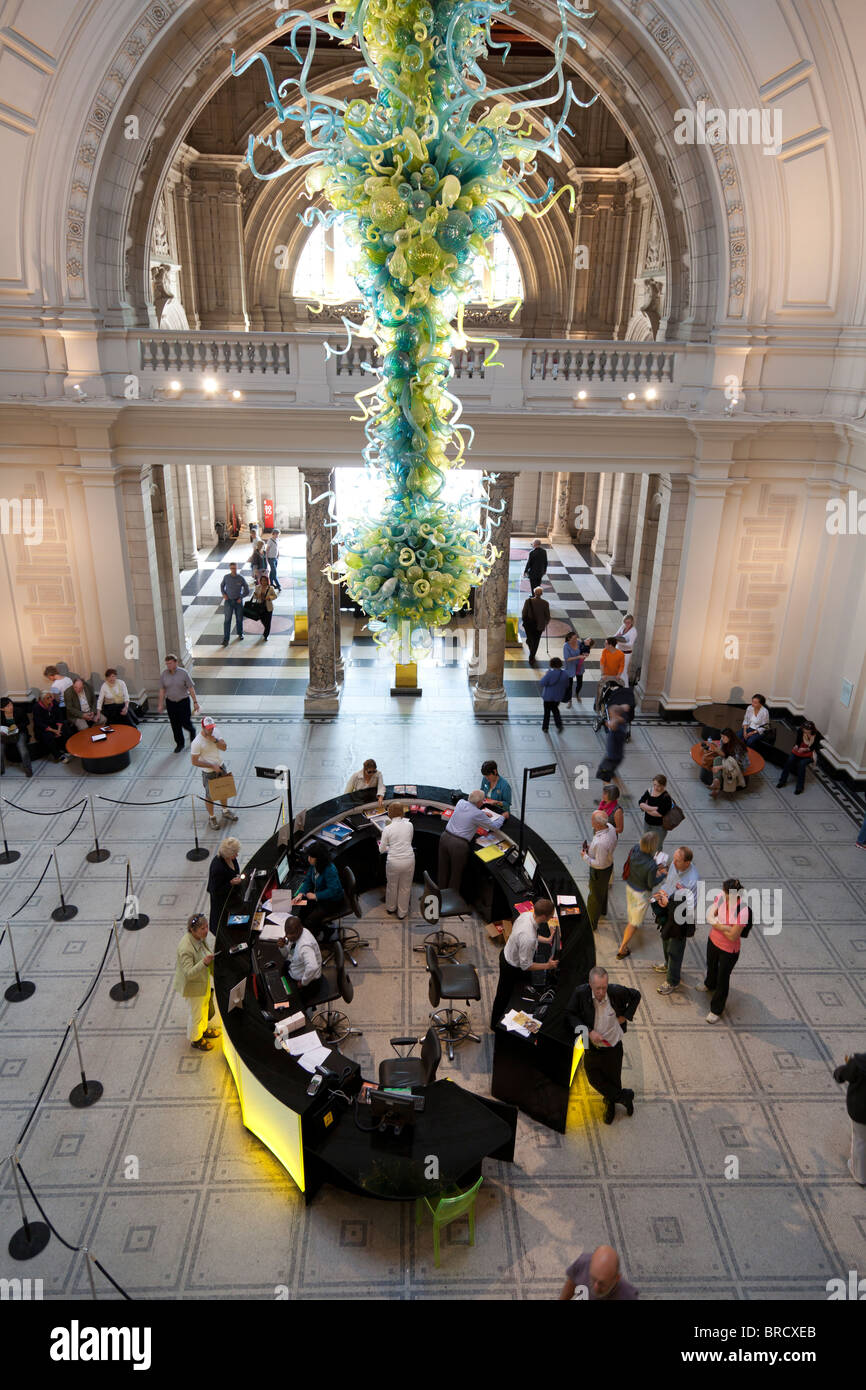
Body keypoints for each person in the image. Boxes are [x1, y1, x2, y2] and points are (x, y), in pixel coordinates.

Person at [567, 966, 641, 1124]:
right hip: (590, 1044)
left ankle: (611, 1104)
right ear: (590, 984)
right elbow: (570, 1013)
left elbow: (636, 995)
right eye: (597, 988)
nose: (601, 992)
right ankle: (624, 1096)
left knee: (613, 1079)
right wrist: (588, 1031)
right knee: (593, 1078)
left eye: (604, 987)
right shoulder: (581, 993)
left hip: (613, 1046)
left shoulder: (616, 992)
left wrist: (625, 1017)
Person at [489, 898, 559, 1029]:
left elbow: (527, 936)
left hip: (508, 953)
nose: (551, 918)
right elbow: (525, 965)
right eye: (550, 916)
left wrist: (548, 939)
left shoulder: (526, 915)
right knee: (503, 996)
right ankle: (494, 1025)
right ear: (544, 916)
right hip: (510, 966)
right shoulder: (529, 937)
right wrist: (548, 966)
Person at [650, 846, 699, 994]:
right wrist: (663, 893)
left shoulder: (693, 880)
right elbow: (670, 882)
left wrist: (668, 902)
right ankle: (667, 964)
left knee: (675, 949)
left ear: (687, 862)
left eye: (678, 861)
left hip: (681, 914)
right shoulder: (674, 864)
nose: (674, 862)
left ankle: (672, 981)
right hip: (668, 905)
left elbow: (689, 904)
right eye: (674, 859)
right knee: (665, 936)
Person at [438, 790, 505, 892]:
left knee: (443, 870)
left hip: (445, 837)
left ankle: (438, 896)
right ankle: (450, 901)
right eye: (482, 801)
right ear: (479, 803)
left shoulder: (460, 802)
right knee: (456, 875)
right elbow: (494, 827)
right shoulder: (477, 814)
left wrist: (482, 813)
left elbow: (469, 812)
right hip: (458, 845)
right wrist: (503, 817)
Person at [704, 877, 749, 1022]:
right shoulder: (721, 897)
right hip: (713, 941)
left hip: (729, 951)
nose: (723, 894)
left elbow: (733, 937)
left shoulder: (742, 911)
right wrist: (725, 927)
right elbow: (709, 916)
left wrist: (718, 925)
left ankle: (716, 1009)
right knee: (711, 966)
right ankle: (709, 984)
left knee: (723, 979)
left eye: (726, 893)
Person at [173, 913, 219, 1051]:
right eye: (202, 929)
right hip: (193, 988)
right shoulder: (185, 948)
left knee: (204, 1009)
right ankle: (196, 1039)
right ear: (192, 930)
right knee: (196, 1015)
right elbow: (188, 974)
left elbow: (205, 953)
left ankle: (203, 1030)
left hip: (202, 982)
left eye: (206, 927)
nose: (206, 931)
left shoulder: (199, 938)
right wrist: (204, 963)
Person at [616, 831, 663, 959]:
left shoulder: (635, 849)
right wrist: (662, 875)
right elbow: (650, 884)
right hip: (641, 894)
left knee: (632, 910)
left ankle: (634, 919)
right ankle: (623, 948)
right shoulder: (651, 865)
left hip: (630, 887)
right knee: (634, 923)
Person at [191, 716, 237, 829]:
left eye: (212, 727)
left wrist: (215, 740)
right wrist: (211, 765)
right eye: (208, 728)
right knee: (209, 796)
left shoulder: (215, 732)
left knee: (224, 791)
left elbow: (224, 747)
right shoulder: (197, 742)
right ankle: (212, 817)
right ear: (203, 727)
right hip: (208, 773)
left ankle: (225, 811)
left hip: (221, 766)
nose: (211, 730)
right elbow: (194, 761)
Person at [292, 844, 346, 940]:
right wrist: (301, 893)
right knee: (303, 912)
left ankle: (320, 934)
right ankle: (322, 930)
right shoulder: (314, 866)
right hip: (322, 898)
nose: (308, 859)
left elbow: (334, 890)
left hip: (333, 901)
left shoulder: (330, 870)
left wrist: (315, 896)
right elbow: (308, 880)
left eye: (311, 857)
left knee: (310, 921)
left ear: (319, 859)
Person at [558, 1246, 639, 1301]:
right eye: (593, 1278)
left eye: (602, 1283)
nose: (595, 1287)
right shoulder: (583, 1263)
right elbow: (571, 1283)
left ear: (617, 1278)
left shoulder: (628, 1296)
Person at [833, 1052, 866, 1185]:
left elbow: (842, 1075)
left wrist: (838, 1072)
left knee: (860, 1140)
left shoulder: (860, 1062)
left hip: (861, 1111)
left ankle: (860, 1175)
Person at [378, 802, 415, 919]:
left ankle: (391, 908)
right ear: (402, 812)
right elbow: (409, 840)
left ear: (390, 813)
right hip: (409, 859)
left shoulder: (387, 829)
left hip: (393, 861)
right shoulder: (410, 825)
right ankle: (402, 912)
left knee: (392, 885)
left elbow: (381, 849)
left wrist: (390, 846)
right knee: (406, 886)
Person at [582, 811, 618, 930]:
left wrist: (586, 857)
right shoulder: (611, 828)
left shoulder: (601, 842)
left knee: (594, 897)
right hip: (609, 865)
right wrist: (591, 849)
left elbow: (599, 864)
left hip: (600, 871)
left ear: (597, 824)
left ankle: (591, 923)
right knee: (603, 890)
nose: (590, 821)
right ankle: (602, 911)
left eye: (592, 820)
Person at [278, 915, 323, 1006]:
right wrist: (282, 947)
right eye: (286, 933)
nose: (287, 936)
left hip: (309, 983)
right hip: (293, 968)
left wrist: (303, 982)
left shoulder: (305, 946)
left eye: (290, 934)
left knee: (290, 1004)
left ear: (299, 930)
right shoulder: (297, 935)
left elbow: (313, 967)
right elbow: (288, 955)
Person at [157, 654, 199, 752]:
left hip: (183, 702)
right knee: (175, 725)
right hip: (171, 703)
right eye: (167, 664)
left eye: (170, 663)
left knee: (185, 723)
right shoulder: (164, 674)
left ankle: (192, 731)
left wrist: (195, 702)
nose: (168, 665)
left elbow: (191, 688)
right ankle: (180, 744)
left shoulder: (183, 673)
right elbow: (162, 690)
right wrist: (160, 703)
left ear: (176, 662)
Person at [206, 836, 242, 934]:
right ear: (228, 853)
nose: (237, 855)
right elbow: (215, 891)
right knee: (221, 925)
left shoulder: (231, 858)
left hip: (231, 894)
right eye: (235, 853)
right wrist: (231, 883)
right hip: (221, 900)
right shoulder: (217, 868)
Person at [700, 727, 747, 797]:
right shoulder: (723, 741)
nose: (722, 739)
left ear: (730, 737)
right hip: (728, 760)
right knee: (717, 759)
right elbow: (724, 754)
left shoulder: (738, 746)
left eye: (724, 737)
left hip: (738, 765)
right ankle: (716, 782)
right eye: (721, 737)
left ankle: (716, 786)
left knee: (720, 766)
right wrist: (717, 750)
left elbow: (735, 763)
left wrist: (719, 767)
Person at [777, 719, 820, 795]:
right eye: (804, 729)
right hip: (799, 750)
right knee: (789, 761)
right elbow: (797, 742)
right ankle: (782, 781)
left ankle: (799, 787)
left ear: (811, 730)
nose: (804, 731)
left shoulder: (816, 735)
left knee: (801, 764)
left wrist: (805, 749)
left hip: (809, 753)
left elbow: (815, 747)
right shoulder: (800, 731)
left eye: (806, 730)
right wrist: (796, 746)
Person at [637, 775, 673, 851]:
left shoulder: (666, 797)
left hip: (659, 827)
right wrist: (653, 808)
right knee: (646, 842)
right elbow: (640, 803)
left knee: (657, 846)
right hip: (647, 823)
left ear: (664, 785)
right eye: (654, 785)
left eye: (659, 786)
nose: (656, 788)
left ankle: (657, 861)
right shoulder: (649, 791)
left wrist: (646, 808)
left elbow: (659, 814)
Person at [33, 691, 71, 762]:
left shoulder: (54, 703)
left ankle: (66, 748)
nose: (50, 699)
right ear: (43, 699)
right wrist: (54, 731)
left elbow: (59, 716)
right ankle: (58, 755)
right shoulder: (37, 707)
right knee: (48, 736)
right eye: (48, 698)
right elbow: (39, 723)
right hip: (43, 727)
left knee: (65, 727)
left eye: (51, 696)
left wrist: (59, 729)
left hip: (54, 724)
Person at [0, 696, 33, 777]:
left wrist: (17, 727)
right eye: (7, 706)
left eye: (11, 704)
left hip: (19, 732)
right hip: (5, 734)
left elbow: (26, 722)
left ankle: (28, 770)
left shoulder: (19, 711)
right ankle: (1, 769)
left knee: (22, 749)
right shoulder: (1, 715)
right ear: (2, 709)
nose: (11, 707)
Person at [220, 562, 250, 646]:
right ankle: (226, 639)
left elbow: (247, 590)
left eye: (235, 568)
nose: (234, 570)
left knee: (239, 619)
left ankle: (240, 633)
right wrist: (224, 594)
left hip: (238, 601)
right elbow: (222, 586)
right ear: (230, 569)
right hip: (228, 601)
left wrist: (241, 597)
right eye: (232, 568)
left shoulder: (241, 578)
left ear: (237, 568)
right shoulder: (226, 577)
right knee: (227, 620)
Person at [598, 704, 629, 781]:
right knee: (608, 773)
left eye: (611, 714)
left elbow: (612, 725)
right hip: (613, 756)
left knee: (603, 775)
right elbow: (626, 707)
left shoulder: (617, 727)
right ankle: (620, 787)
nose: (610, 716)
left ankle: (612, 790)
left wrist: (611, 721)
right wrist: (621, 708)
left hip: (612, 757)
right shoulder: (622, 722)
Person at [521, 586, 550, 666]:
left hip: (529, 625)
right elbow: (547, 617)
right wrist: (545, 623)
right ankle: (532, 655)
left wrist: (525, 622)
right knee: (536, 641)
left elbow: (524, 613)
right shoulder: (545, 603)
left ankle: (531, 652)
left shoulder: (528, 601)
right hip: (539, 626)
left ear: (534, 593)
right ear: (542, 594)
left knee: (530, 639)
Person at [540, 656, 569, 732]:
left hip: (548, 697)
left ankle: (545, 727)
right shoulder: (565, 674)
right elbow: (567, 685)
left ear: (551, 664)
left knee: (547, 712)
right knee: (555, 710)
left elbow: (542, 683)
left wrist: (546, 674)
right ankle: (559, 725)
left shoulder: (550, 673)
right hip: (558, 697)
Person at [252, 572, 277, 641]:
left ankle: (266, 635)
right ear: (260, 581)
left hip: (268, 607)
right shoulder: (257, 587)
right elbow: (254, 596)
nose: (264, 582)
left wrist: (269, 597)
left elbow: (275, 596)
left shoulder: (271, 588)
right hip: (260, 607)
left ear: (267, 581)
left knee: (268, 622)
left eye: (265, 580)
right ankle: (266, 629)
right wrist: (257, 596)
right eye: (262, 580)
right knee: (263, 620)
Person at [613, 616, 637, 682]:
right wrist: (616, 637)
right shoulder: (623, 626)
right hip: (618, 651)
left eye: (628, 622)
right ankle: (617, 686)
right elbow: (615, 635)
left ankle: (625, 687)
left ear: (632, 622)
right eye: (625, 622)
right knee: (616, 669)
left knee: (623, 671)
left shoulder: (633, 631)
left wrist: (619, 643)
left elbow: (630, 644)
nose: (626, 624)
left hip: (626, 653)